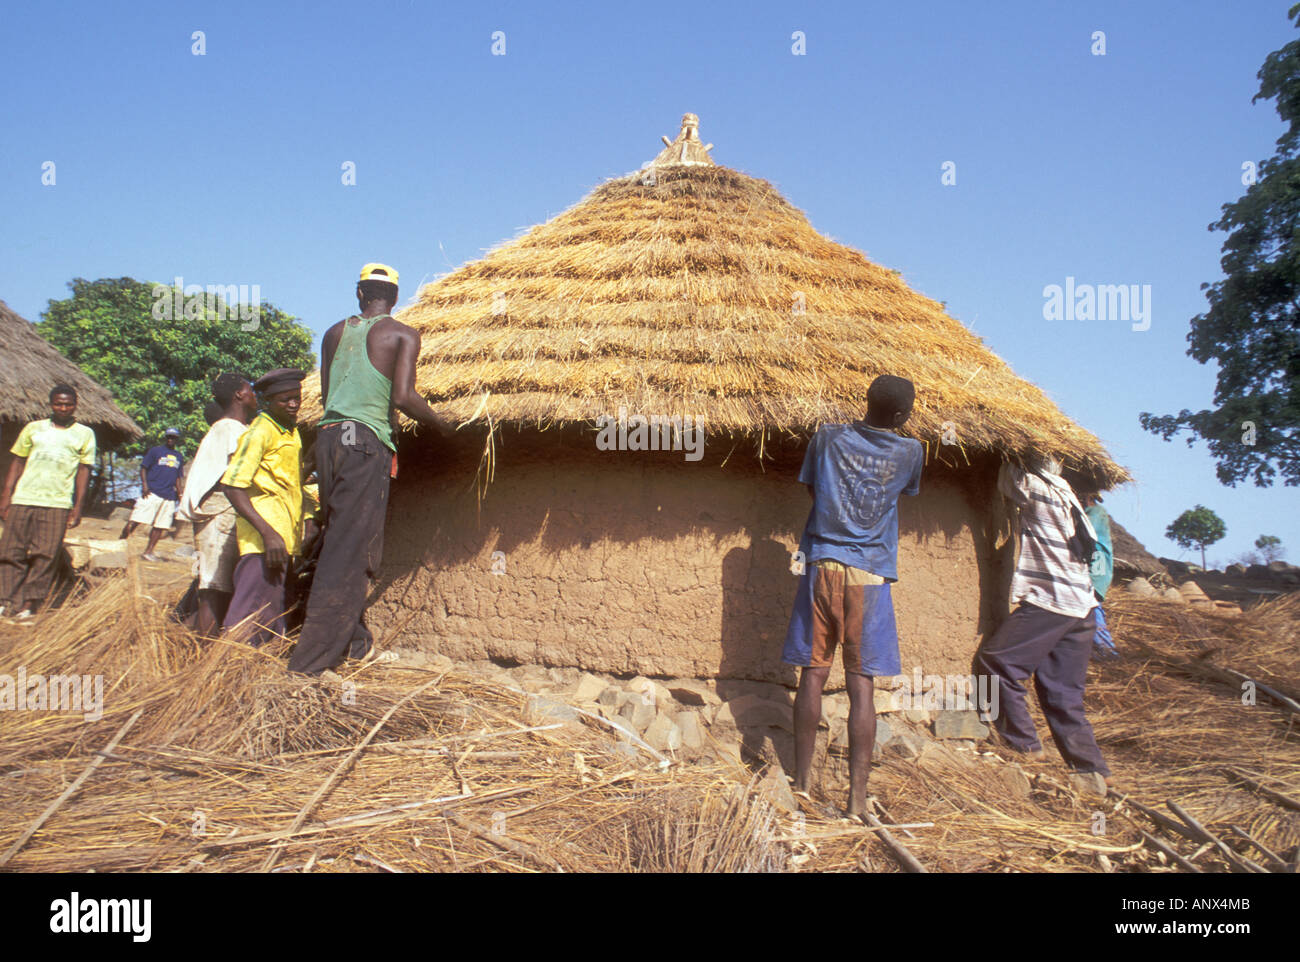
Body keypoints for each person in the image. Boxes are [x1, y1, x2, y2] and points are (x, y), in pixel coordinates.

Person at [287, 263, 453, 676]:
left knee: (338, 536)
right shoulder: (402, 334)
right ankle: (309, 664)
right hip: (364, 443)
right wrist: (441, 425)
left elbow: (328, 396)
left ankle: (354, 643)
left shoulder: (333, 333)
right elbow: (402, 396)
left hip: (330, 441)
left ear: (359, 294)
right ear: (395, 299)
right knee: (349, 551)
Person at [781, 375, 923, 820]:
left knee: (814, 672)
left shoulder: (827, 438)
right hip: (870, 576)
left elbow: (814, 489)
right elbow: (904, 492)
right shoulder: (911, 452)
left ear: (865, 400)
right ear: (902, 416)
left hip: (823, 563)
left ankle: (802, 783)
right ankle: (857, 799)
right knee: (862, 686)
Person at [973, 454, 1113, 793]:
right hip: (1083, 606)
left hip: (1053, 600)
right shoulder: (1066, 491)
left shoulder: (1036, 487)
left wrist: (1009, 451)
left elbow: (1008, 478)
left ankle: (1023, 746)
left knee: (996, 663)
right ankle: (1092, 771)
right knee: (1063, 693)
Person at [220, 369, 312, 646]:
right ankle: (227, 668)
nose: (294, 404)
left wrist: (306, 520)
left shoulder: (291, 433)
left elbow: (292, 483)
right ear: (269, 401)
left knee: (270, 610)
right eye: (286, 399)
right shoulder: (260, 432)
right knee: (249, 610)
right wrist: (268, 533)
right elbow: (232, 485)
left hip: (282, 537)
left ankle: (255, 670)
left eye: (297, 398)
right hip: (263, 541)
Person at [0, 384, 96, 620]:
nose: (63, 408)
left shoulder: (84, 434)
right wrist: (6, 495)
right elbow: (18, 461)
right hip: (24, 498)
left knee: (46, 554)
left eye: (68, 404)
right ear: (51, 404)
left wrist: (78, 506)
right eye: (58, 403)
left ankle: (29, 604)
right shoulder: (34, 428)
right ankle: (5, 600)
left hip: (58, 503)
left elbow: (84, 471)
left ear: (75, 405)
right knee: (11, 551)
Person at [176, 373, 258, 637]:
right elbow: (235, 475)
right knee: (214, 588)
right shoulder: (229, 429)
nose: (254, 394)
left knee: (218, 586)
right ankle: (203, 652)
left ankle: (190, 639)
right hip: (221, 512)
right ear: (239, 395)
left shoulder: (235, 429)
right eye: (250, 389)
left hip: (225, 512)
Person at [123, 428, 185, 561]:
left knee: (160, 526)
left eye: (173, 437)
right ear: (165, 437)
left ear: (177, 439)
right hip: (152, 492)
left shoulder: (179, 456)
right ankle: (119, 545)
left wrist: (180, 495)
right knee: (136, 520)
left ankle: (148, 552)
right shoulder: (156, 451)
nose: (170, 439)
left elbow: (178, 478)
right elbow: (144, 468)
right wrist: (145, 486)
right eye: (168, 437)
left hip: (169, 496)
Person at [1081, 490, 1119, 660]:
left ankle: (1108, 650)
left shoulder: (1095, 513)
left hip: (1096, 569)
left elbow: (1085, 535)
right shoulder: (1093, 513)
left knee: (1093, 607)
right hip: (1096, 568)